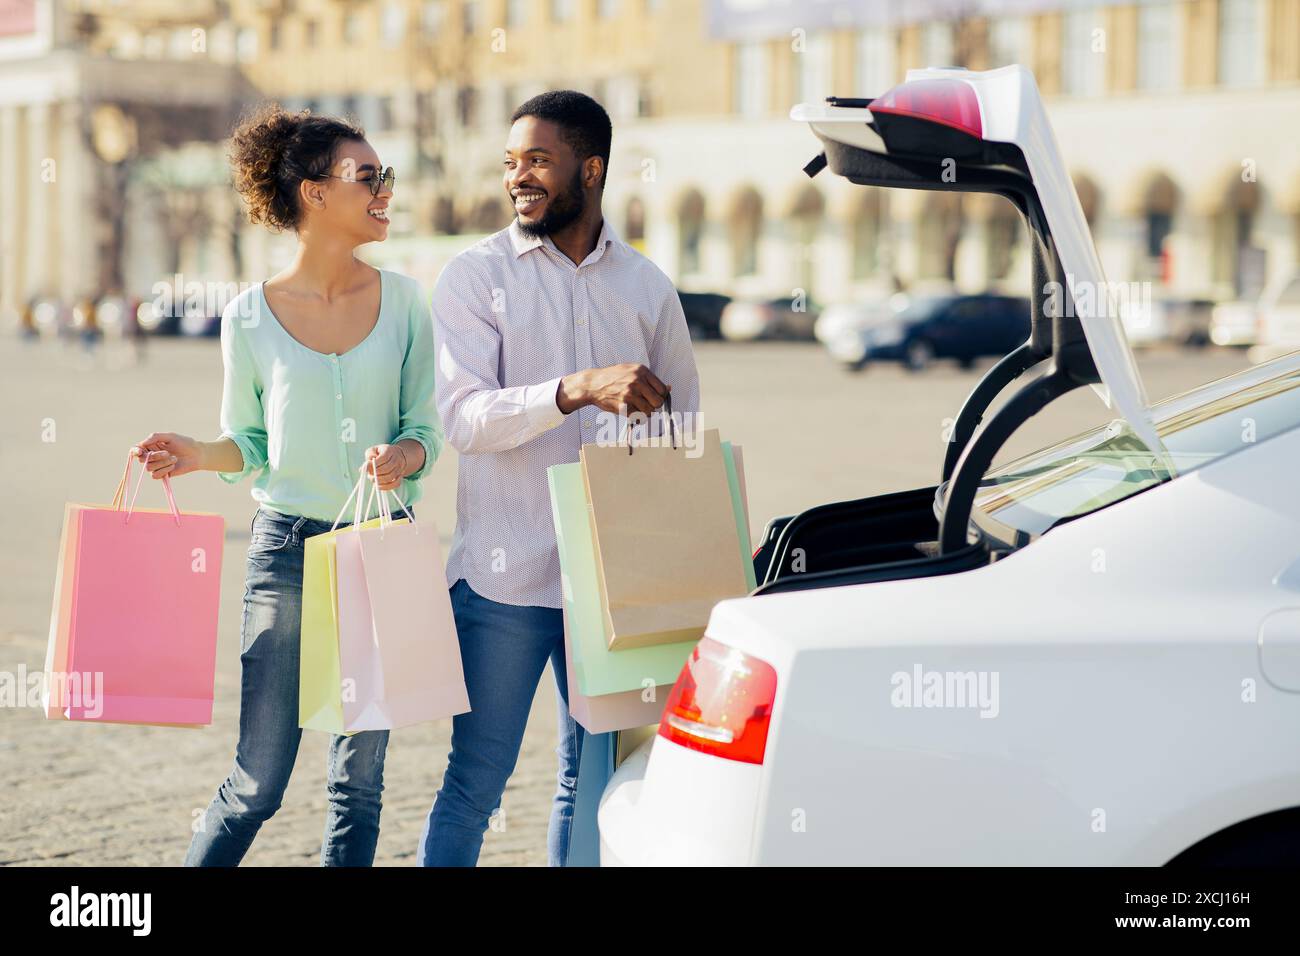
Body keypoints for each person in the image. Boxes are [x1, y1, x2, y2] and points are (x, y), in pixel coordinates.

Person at [127, 104, 442, 866]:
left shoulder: (405, 303)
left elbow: (426, 432)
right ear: (313, 193)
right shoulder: (248, 318)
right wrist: (198, 454)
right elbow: (255, 445)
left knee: (358, 782)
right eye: (367, 176)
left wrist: (403, 456)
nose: (383, 190)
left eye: (383, 176)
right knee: (258, 781)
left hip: (380, 550)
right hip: (287, 555)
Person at [420, 90, 700, 866]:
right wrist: (572, 389)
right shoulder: (473, 278)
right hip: (504, 581)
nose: (520, 177)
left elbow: (683, 431)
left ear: (593, 167)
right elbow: (464, 419)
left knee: (594, 783)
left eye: (538, 160)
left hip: (613, 589)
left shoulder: (648, 289)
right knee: (475, 783)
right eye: (512, 163)